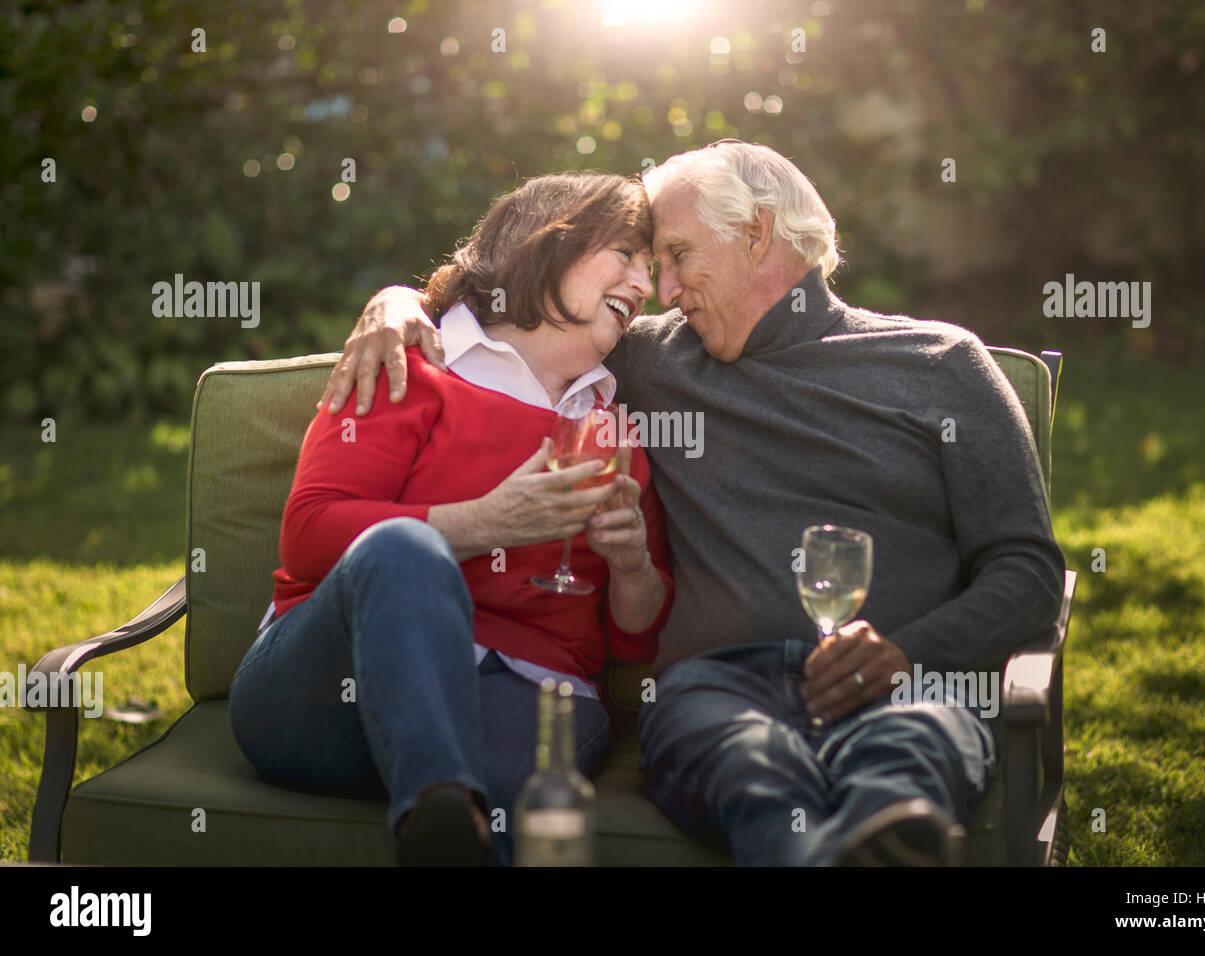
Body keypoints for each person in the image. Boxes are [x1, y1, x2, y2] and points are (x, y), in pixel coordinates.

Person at [319, 141, 1066, 866]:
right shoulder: (652, 356)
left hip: (903, 682)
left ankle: (878, 836)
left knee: (909, 750)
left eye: (676, 255)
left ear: (757, 231)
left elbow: (1027, 570)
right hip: (718, 687)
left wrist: (909, 656)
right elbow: (518, 310)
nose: (663, 290)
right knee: (749, 762)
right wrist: (395, 305)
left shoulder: (942, 366)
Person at [227, 172, 673, 867]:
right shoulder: (409, 366)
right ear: (546, 243)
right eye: (625, 253)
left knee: (506, 787)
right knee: (403, 545)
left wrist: (631, 564)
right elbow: (312, 537)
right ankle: (440, 794)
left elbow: (632, 642)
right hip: (328, 692)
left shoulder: (614, 430)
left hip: (526, 693)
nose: (643, 283)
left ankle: (445, 820)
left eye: (651, 267)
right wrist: (486, 522)